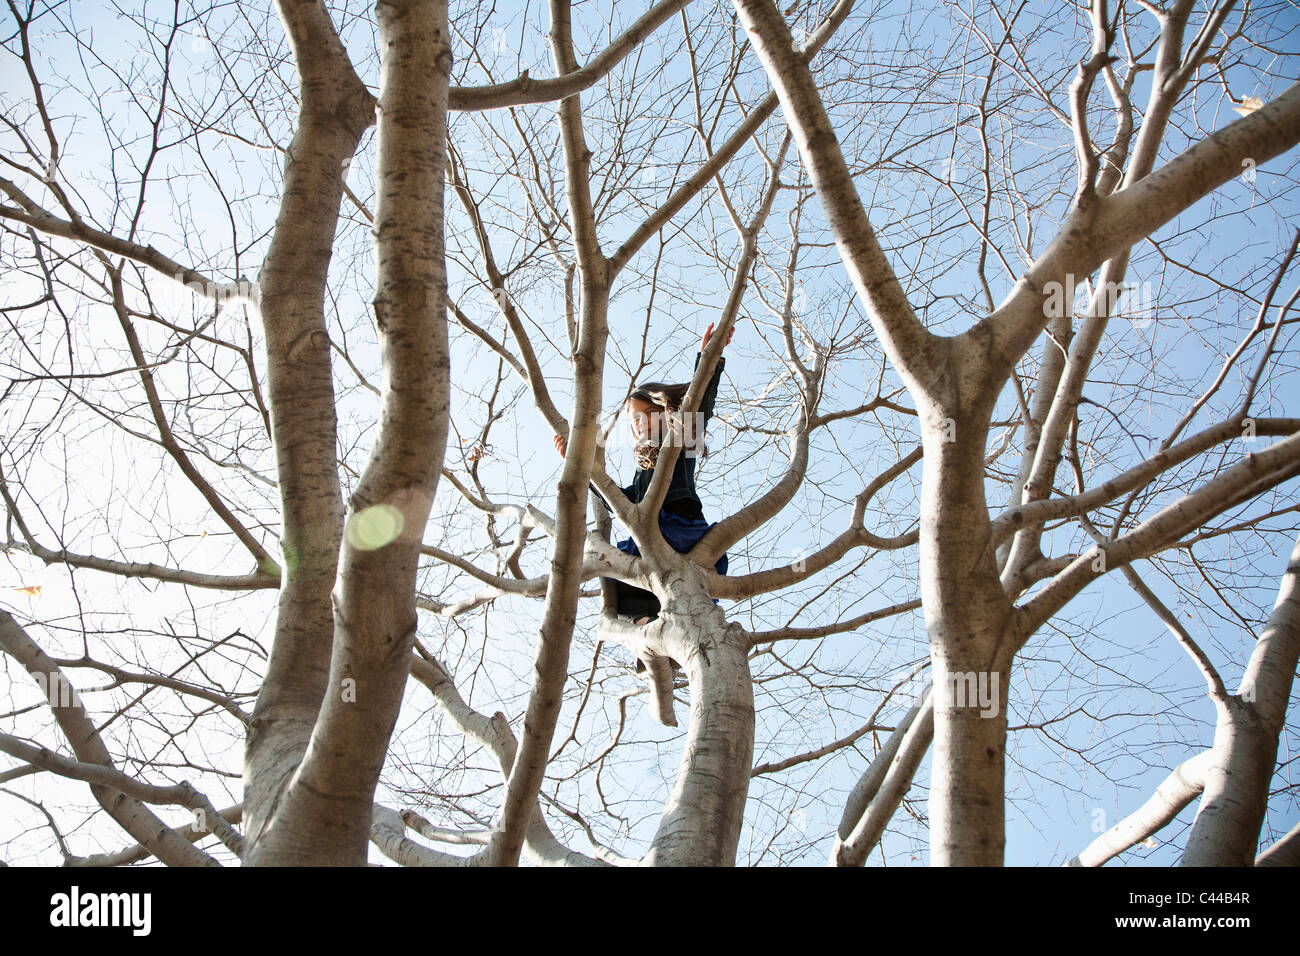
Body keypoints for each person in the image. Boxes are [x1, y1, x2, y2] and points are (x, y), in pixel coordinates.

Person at [554, 321, 732, 624]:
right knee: (612, 586)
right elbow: (618, 501)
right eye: (632, 421)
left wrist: (708, 357)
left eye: (643, 415)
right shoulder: (643, 470)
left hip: (680, 530)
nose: (637, 425)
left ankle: (666, 618)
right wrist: (578, 464)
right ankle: (657, 628)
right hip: (649, 547)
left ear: (664, 412)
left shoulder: (681, 437)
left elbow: (701, 402)